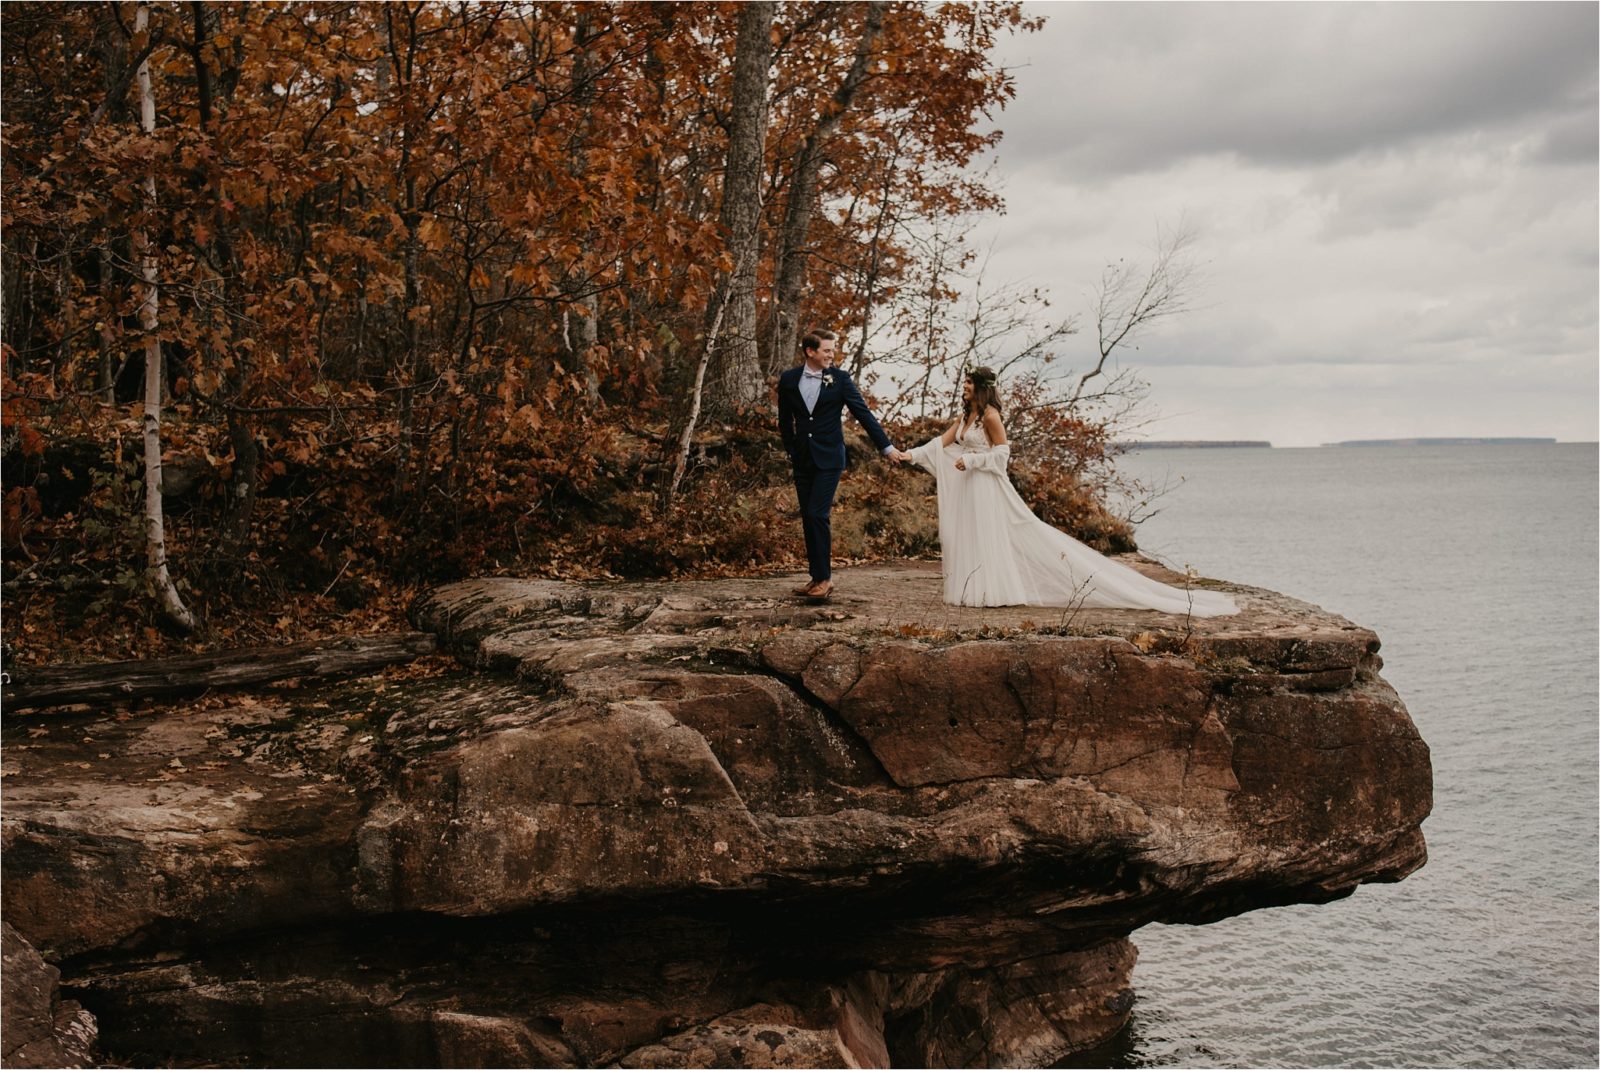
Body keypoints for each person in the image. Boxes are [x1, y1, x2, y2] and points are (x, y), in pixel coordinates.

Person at [905, 366, 1238, 616]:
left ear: (980, 388)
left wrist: (974, 460)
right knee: (969, 535)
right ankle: (970, 590)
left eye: (967, 384)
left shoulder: (991, 416)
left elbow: (1003, 454)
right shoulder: (967, 415)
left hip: (984, 486)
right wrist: (909, 455)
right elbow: (942, 443)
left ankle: (991, 591)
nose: (963, 388)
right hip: (968, 487)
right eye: (964, 383)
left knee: (991, 535)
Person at [777, 329, 907, 600]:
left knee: (817, 513)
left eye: (832, 350)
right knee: (808, 517)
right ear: (810, 352)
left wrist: (887, 447)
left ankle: (825, 579)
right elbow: (784, 420)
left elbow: (863, 414)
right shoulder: (789, 380)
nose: (831, 355)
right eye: (826, 350)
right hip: (802, 458)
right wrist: (791, 449)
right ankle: (815, 578)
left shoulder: (840, 380)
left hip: (829, 458)